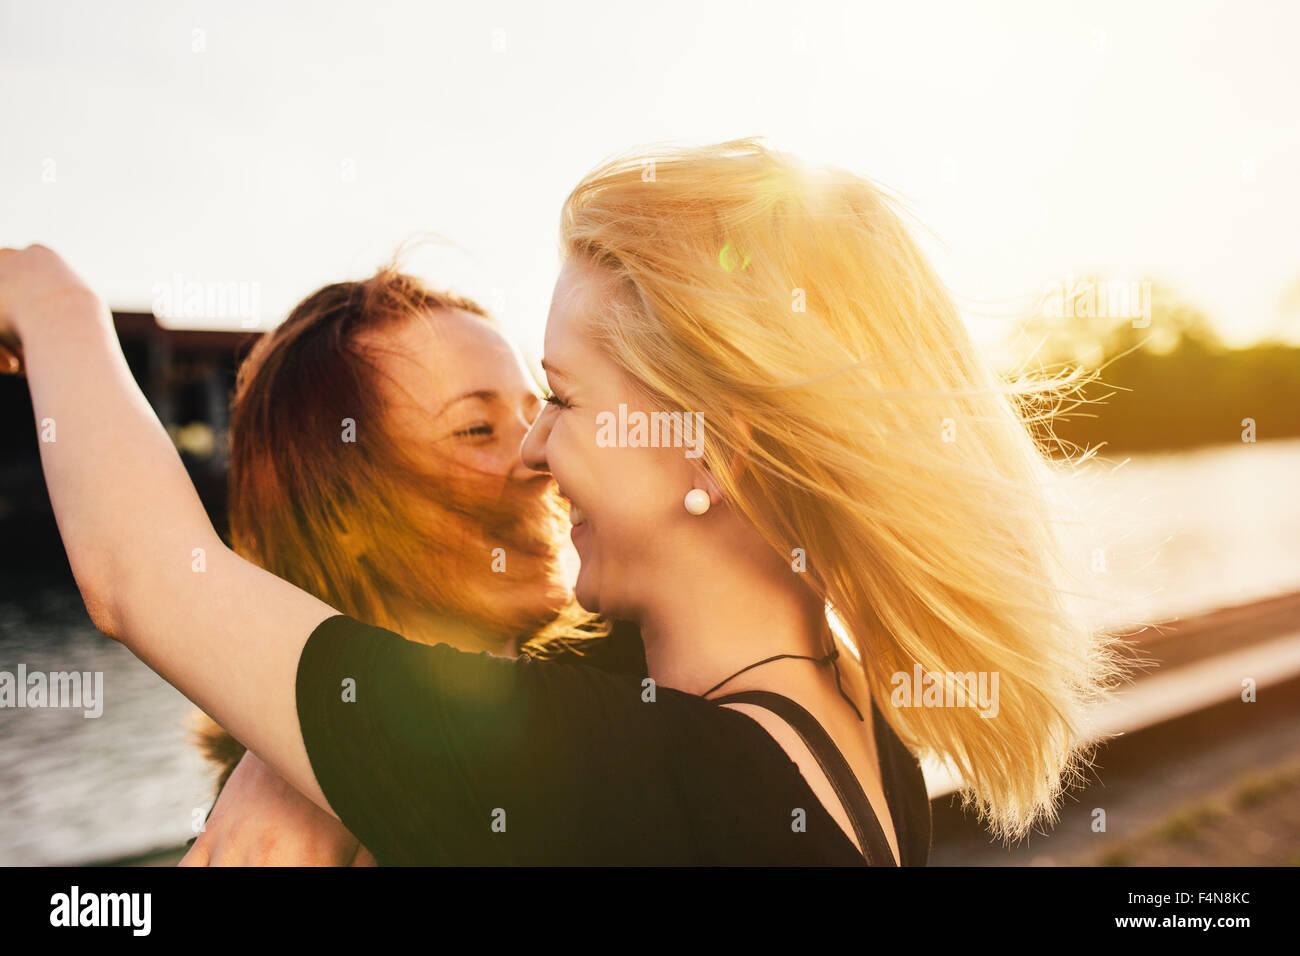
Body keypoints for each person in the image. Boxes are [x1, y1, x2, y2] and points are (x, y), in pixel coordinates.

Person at [0, 139, 1125, 864]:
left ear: (714, 446)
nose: (536, 448)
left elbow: (140, 575)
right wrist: (315, 760)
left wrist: (51, 297)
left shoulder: (620, 775)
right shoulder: (846, 714)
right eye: (486, 423)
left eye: (563, 399)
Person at [182, 264, 647, 865]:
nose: (542, 455)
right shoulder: (273, 833)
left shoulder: (646, 673)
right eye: (476, 429)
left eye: (541, 414)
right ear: (340, 509)